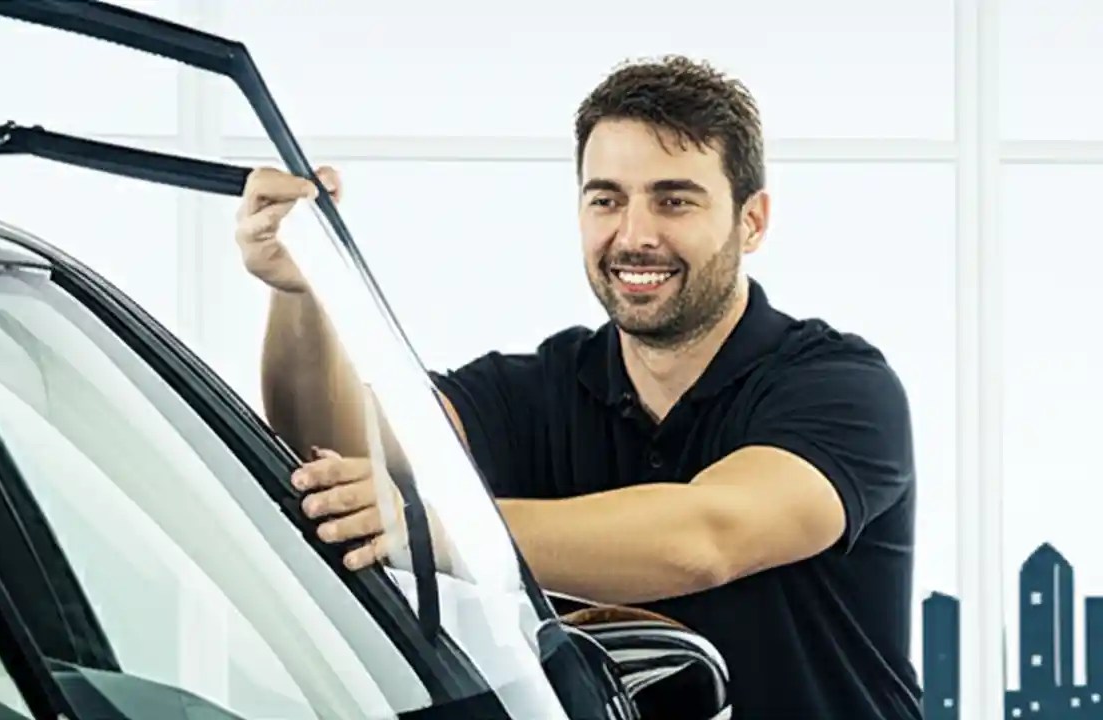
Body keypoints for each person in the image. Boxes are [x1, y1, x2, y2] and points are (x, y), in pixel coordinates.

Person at [235, 55, 922, 719]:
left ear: (752, 220)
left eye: (674, 201)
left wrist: (438, 525)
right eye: (606, 200)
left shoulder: (841, 388)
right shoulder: (538, 388)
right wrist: (301, 289)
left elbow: (706, 538)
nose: (634, 235)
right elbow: (336, 450)